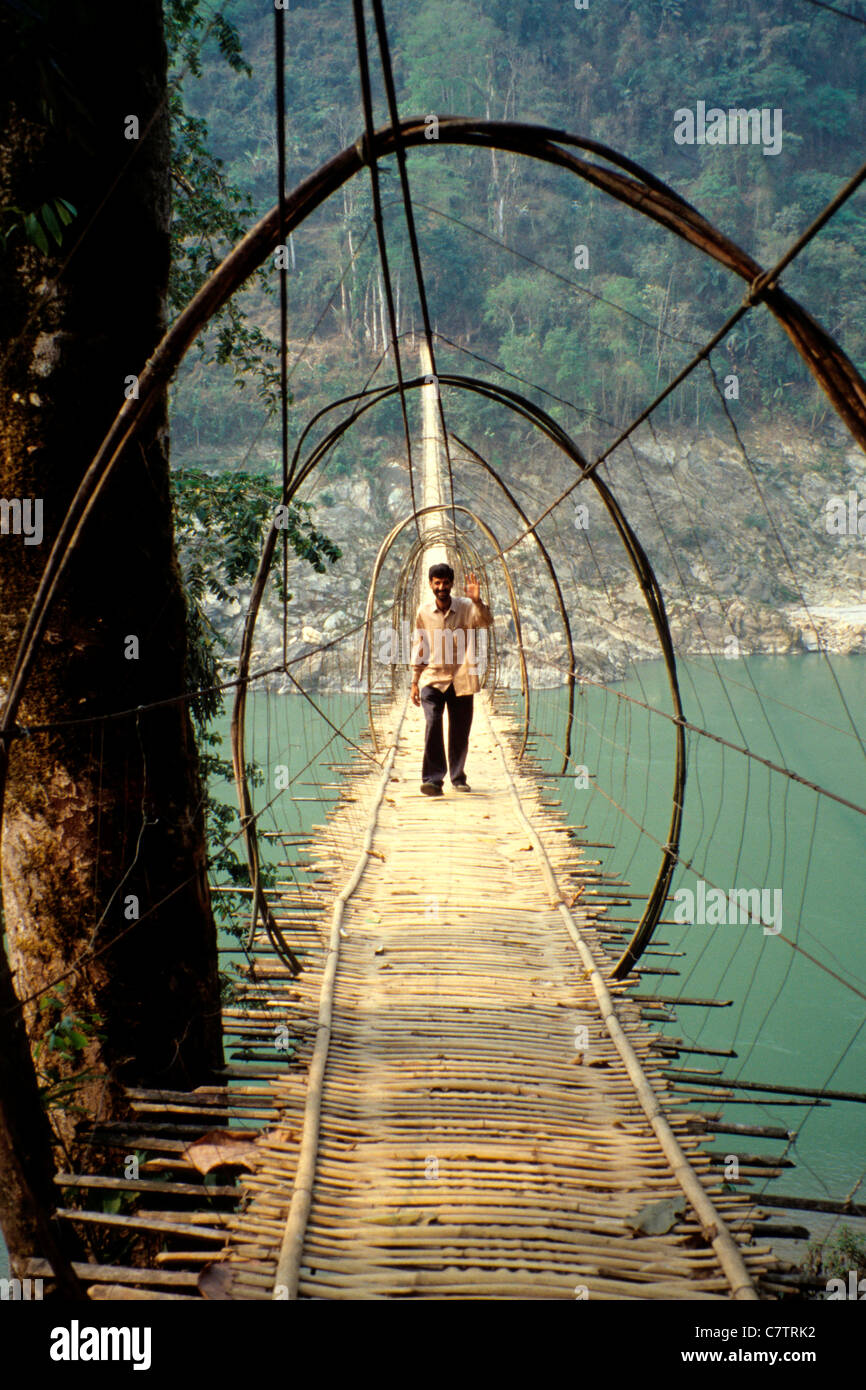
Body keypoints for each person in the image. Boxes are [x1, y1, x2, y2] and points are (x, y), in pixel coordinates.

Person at [410, 563, 494, 796]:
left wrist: (477, 601)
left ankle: (458, 777)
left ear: (452, 584)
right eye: (437, 583)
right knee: (433, 723)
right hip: (433, 678)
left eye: (446, 583)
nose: (441, 587)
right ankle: (433, 779)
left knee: (460, 730)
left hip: (461, 678)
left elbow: (486, 621)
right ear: (430, 584)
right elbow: (420, 645)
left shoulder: (467, 607)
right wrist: (415, 681)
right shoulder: (423, 612)